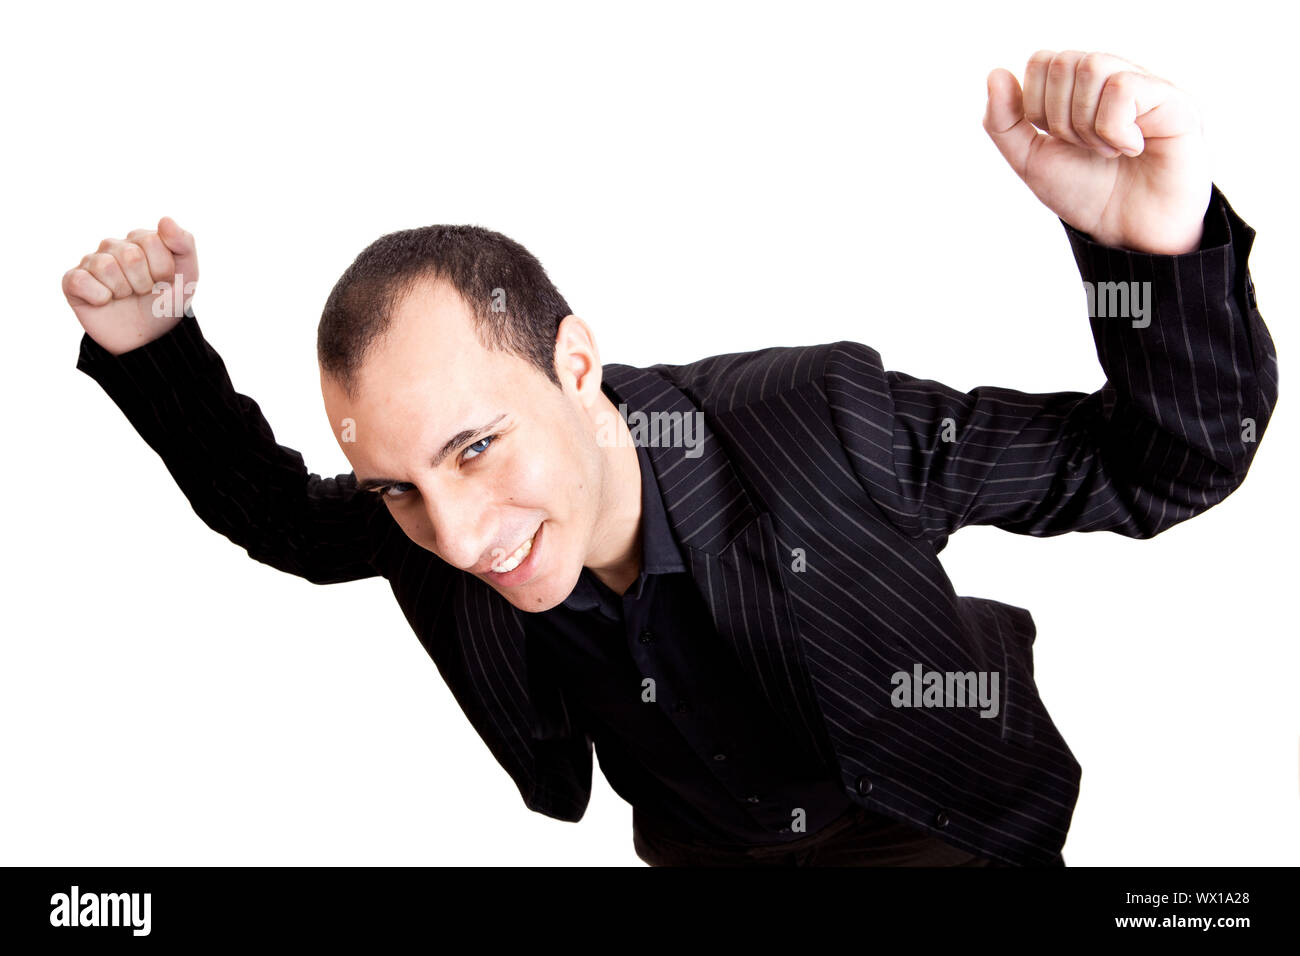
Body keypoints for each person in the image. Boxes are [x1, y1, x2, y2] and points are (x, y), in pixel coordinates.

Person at [63, 50, 1277, 866]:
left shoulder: (822, 420)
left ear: (576, 363)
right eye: (401, 486)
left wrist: (1145, 252)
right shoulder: (425, 521)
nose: (462, 532)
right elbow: (278, 513)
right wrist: (154, 348)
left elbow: (1159, 468)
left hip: (949, 826)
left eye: (477, 446)